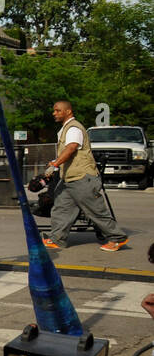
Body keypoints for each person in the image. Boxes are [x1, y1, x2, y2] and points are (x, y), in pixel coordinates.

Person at [43, 100, 127, 251]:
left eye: (57, 110)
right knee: (61, 208)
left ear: (68, 111)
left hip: (82, 178)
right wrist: (56, 162)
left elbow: (71, 148)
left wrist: (55, 164)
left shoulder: (74, 128)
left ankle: (117, 238)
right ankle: (57, 239)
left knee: (94, 210)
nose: (54, 113)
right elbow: (67, 151)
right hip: (70, 178)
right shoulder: (66, 128)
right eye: (54, 110)